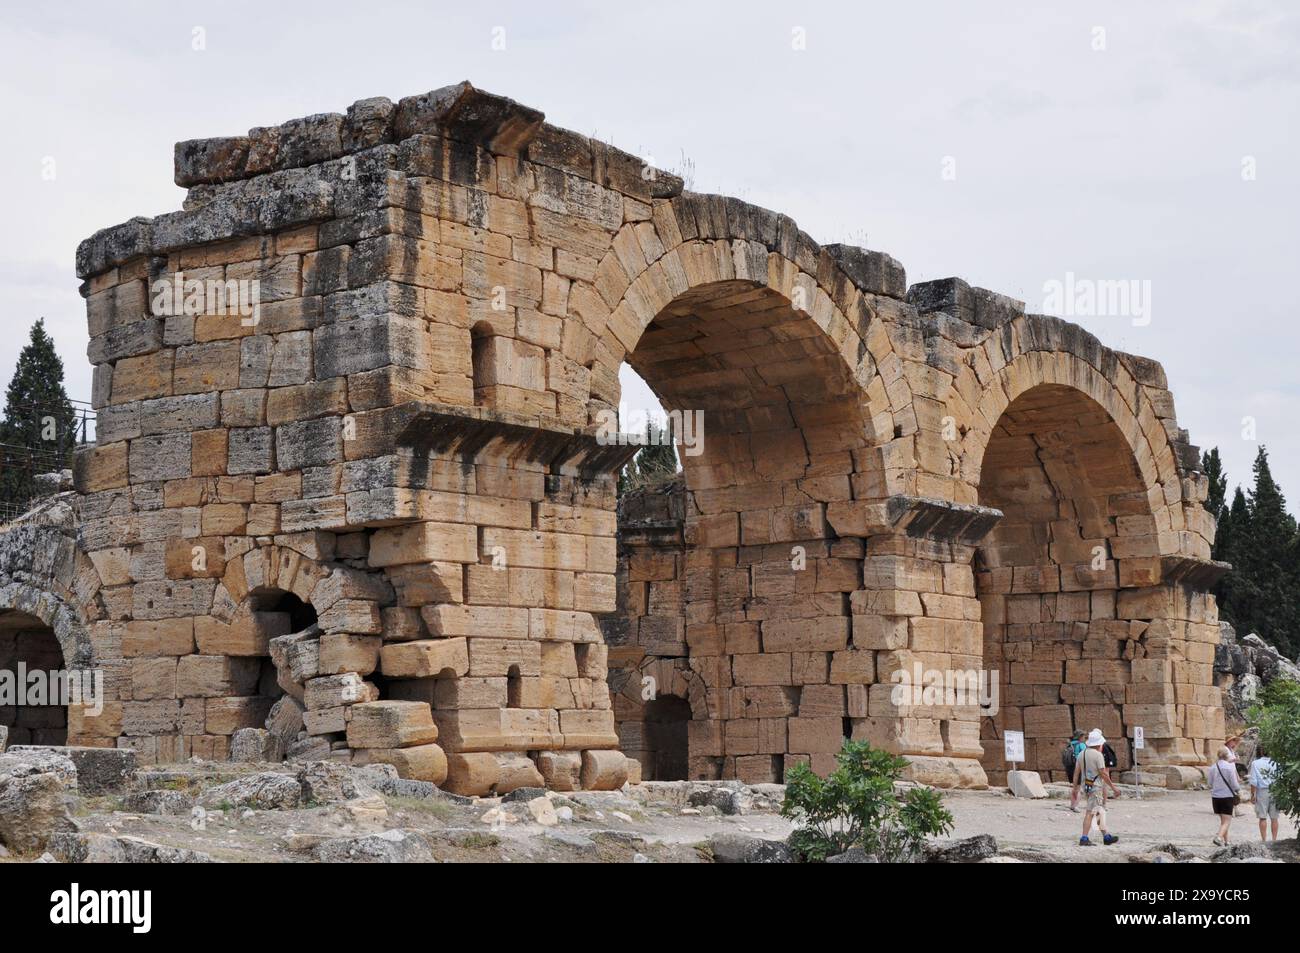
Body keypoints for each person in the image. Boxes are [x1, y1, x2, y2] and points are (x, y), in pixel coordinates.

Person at [1073, 729, 1119, 846]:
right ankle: (1084, 838)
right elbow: (1103, 774)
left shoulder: (1081, 754)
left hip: (1086, 786)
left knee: (1098, 811)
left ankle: (1106, 836)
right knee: (1090, 812)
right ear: (1099, 744)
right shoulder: (1098, 755)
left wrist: (1075, 788)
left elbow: (1076, 772)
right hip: (1095, 786)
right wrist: (1113, 788)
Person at [1209, 745, 1241, 846]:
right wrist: (1238, 790)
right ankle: (1218, 838)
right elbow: (1234, 784)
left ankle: (1227, 841)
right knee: (1227, 821)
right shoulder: (1229, 767)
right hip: (1227, 796)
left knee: (1224, 821)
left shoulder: (1213, 767)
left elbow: (1210, 783)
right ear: (1227, 756)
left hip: (1215, 797)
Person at [1248, 744, 1280, 843]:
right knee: (1274, 818)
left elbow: (1253, 781)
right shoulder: (1277, 763)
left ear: (1261, 752)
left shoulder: (1255, 763)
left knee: (1262, 817)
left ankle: (1264, 840)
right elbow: (1281, 778)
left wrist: (1252, 794)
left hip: (1262, 792)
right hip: (1275, 790)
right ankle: (1274, 840)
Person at [1064, 730, 1087, 812]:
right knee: (1079, 788)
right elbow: (1086, 756)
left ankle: (1072, 804)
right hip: (1079, 768)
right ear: (1080, 737)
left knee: (1074, 787)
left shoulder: (1070, 744)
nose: (1085, 738)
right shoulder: (1081, 745)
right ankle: (1076, 806)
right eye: (1084, 737)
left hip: (1070, 768)